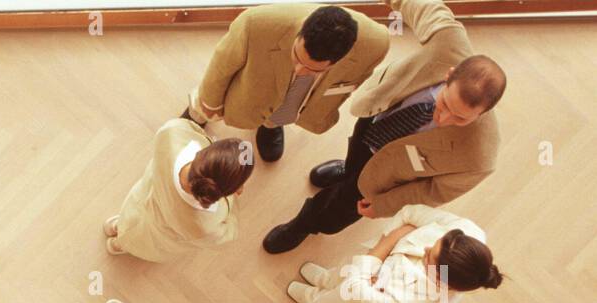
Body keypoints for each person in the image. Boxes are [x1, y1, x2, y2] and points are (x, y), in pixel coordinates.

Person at [264, 0, 505, 253]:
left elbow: (433, 192)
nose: (443, 119)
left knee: (335, 216)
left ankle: (306, 224)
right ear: (449, 75)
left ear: (484, 112)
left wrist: (385, 204)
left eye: (460, 118)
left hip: (386, 176)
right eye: (445, 104)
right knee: (356, 147)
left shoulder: (479, 158)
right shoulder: (449, 42)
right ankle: (349, 169)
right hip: (376, 119)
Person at [185, 4, 388, 163]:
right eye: (297, 58)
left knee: (284, 108)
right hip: (252, 86)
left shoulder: (375, 45)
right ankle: (195, 114)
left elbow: (350, 85)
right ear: (301, 33)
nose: (300, 71)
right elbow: (222, 66)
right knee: (202, 104)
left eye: (313, 69)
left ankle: (270, 124)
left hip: (292, 102)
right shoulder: (254, 24)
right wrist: (210, 103)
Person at [286, 204, 501, 303]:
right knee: (340, 272)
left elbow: (355, 290)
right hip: (367, 265)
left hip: (355, 300)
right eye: (433, 246)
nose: (425, 249)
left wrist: (384, 250)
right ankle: (326, 280)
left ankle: (314, 302)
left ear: (442, 280)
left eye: (429, 259)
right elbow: (410, 214)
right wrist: (384, 246)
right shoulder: (466, 231)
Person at [104, 122, 254, 259]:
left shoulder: (173, 134)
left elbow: (192, 127)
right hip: (160, 237)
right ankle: (118, 244)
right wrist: (231, 202)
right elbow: (227, 235)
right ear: (229, 190)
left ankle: (118, 229)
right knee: (141, 243)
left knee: (131, 219)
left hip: (143, 199)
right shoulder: (206, 224)